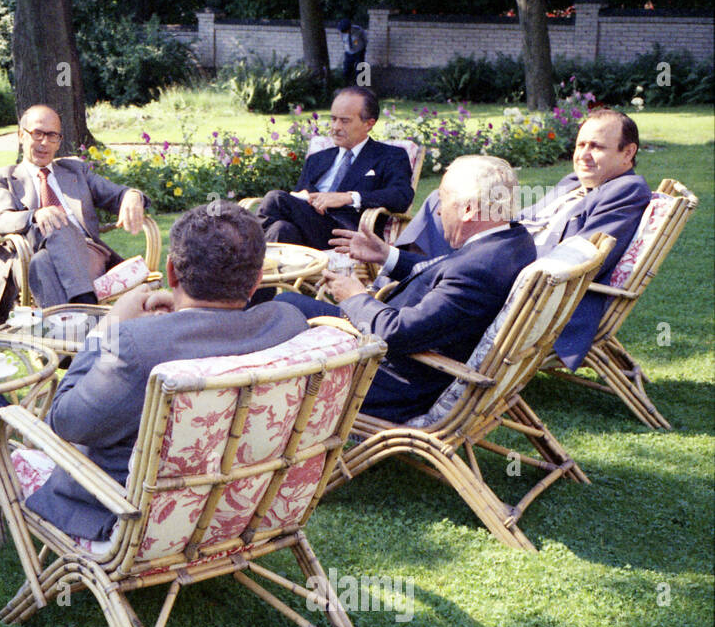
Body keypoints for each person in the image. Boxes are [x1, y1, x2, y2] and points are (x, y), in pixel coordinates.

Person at [24, 203, 310, 543]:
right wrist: (181, 315)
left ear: (171, 272)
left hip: (130, 520)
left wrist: (109, 326)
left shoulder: (133, 346)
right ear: (257, 280)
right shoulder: (290, 323)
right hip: (245, 509)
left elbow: (65, 422)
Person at [280, 155, 536, 422]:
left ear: (469, 209)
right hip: (396, 356)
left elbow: (396, 332)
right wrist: (386, 255)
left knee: (284, 311)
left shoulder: (479, 269)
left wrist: (354, 297)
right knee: (288, 305)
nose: (438, 211)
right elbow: (446, 276)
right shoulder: (511, 241)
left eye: (444, 199)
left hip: (391, 382)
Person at [395, 108, 650, 369]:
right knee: (443, 201)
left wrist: (495, 249)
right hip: (511, 251)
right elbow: (526, 217)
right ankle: (396, 276)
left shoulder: (625, 191)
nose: (583, 155)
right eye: (580, 144)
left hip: (531, 286)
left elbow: (584, 257)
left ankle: (401, 298)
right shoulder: (574, 182)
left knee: (460, 218)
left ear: (628, 152)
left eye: (596, 147)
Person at [0, 104, 149, 325]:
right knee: (47, 248)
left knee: (49, 248)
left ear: (58, 141)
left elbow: (115, 194)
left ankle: (69, 352)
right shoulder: (1, 178)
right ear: (21, 135)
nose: (44, 142)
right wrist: (35, 215)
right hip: (29, 254)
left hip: (86, 254)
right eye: (37, 133)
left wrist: (132, 195)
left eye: (52, 135)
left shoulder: (75, 171)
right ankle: (88, 312)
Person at [255, 86, 414, 252]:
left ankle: (243, 250)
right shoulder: (318, 159)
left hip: (346, 233)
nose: (336, 127)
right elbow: (296, 200)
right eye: (333, 119)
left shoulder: (389, 156)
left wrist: (348, 197)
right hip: (310, 230)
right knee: (281, 229)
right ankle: (269, 275)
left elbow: (401, 195)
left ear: (369, 123)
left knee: (275, 199)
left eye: (344, 121)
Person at [338, 18, 368, 86]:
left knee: (360, 68)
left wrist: (363, 49)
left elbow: (365, 39)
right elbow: (343, 40)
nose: (344, 32)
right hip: (349, 53)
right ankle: (346, 84)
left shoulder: (358, 30)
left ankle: (360, 85)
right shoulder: (342, 31)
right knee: (347, 69)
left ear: (349, 28)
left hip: (359, 52)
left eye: (346, 30)